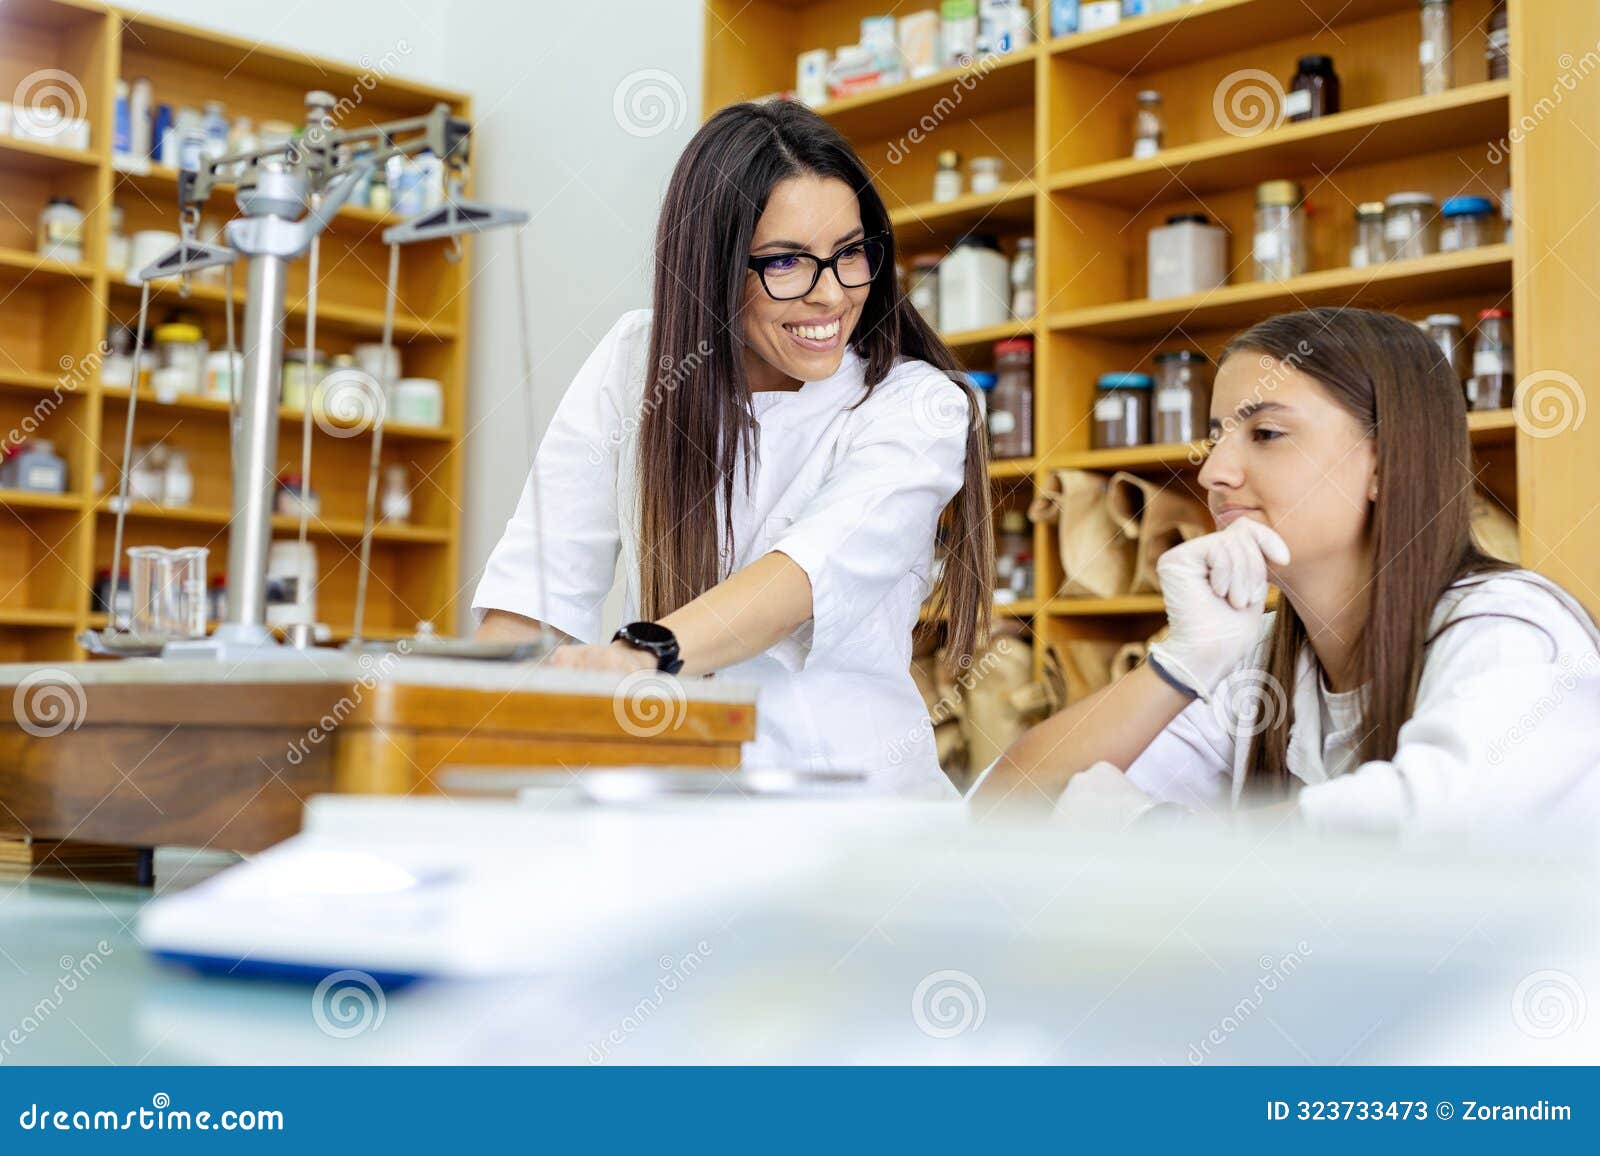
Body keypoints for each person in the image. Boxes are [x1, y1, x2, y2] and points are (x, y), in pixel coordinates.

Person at [472, 100, 993, 796]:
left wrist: (644, 655)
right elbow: (536, 591)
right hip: (683, 807)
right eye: (785, 263)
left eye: (850, 255)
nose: (831, 296)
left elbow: (808, 570)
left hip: (859, 819)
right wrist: (479, 723)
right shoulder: (637, 359)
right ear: (713, 266)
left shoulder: (918, 401)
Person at [971, 307, 1600, 835]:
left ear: (1384, 463)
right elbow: (1005, 814)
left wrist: (1160, 835)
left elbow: (1424, 825)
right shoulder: (1260, 663)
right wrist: (1181, 665)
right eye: (1217, 436)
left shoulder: (1511, 628)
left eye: (1266, 433)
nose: (1214, 471)